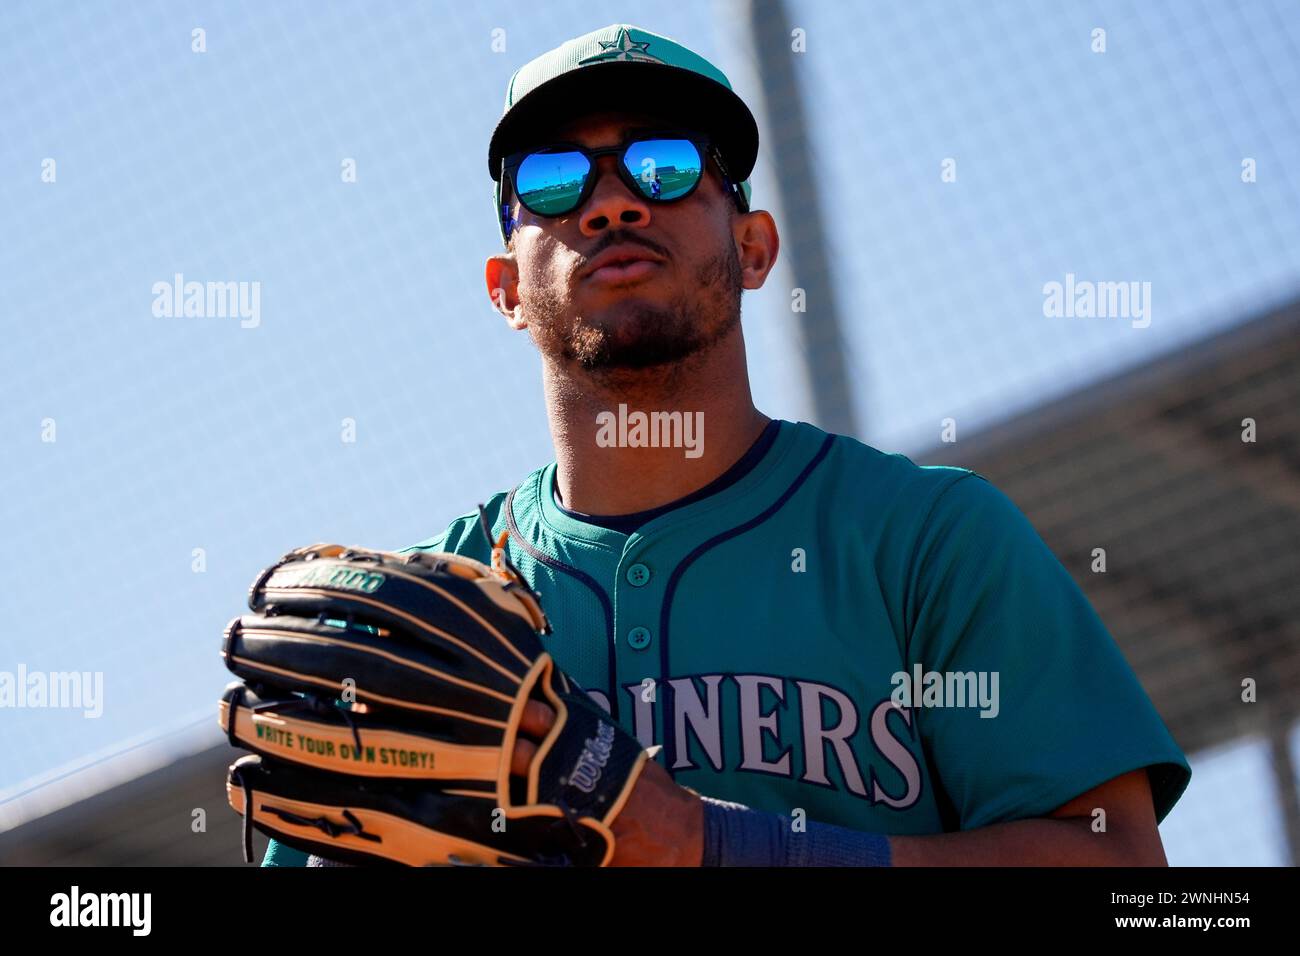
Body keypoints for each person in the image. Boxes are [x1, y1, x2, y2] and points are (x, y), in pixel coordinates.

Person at [262, 23, 1189, 867]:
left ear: (753, 248)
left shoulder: (926, 538)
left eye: (664, 166)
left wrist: (719, 845)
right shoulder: (424, 624)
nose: (611, 205)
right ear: (505, 288)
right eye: (553, 180)